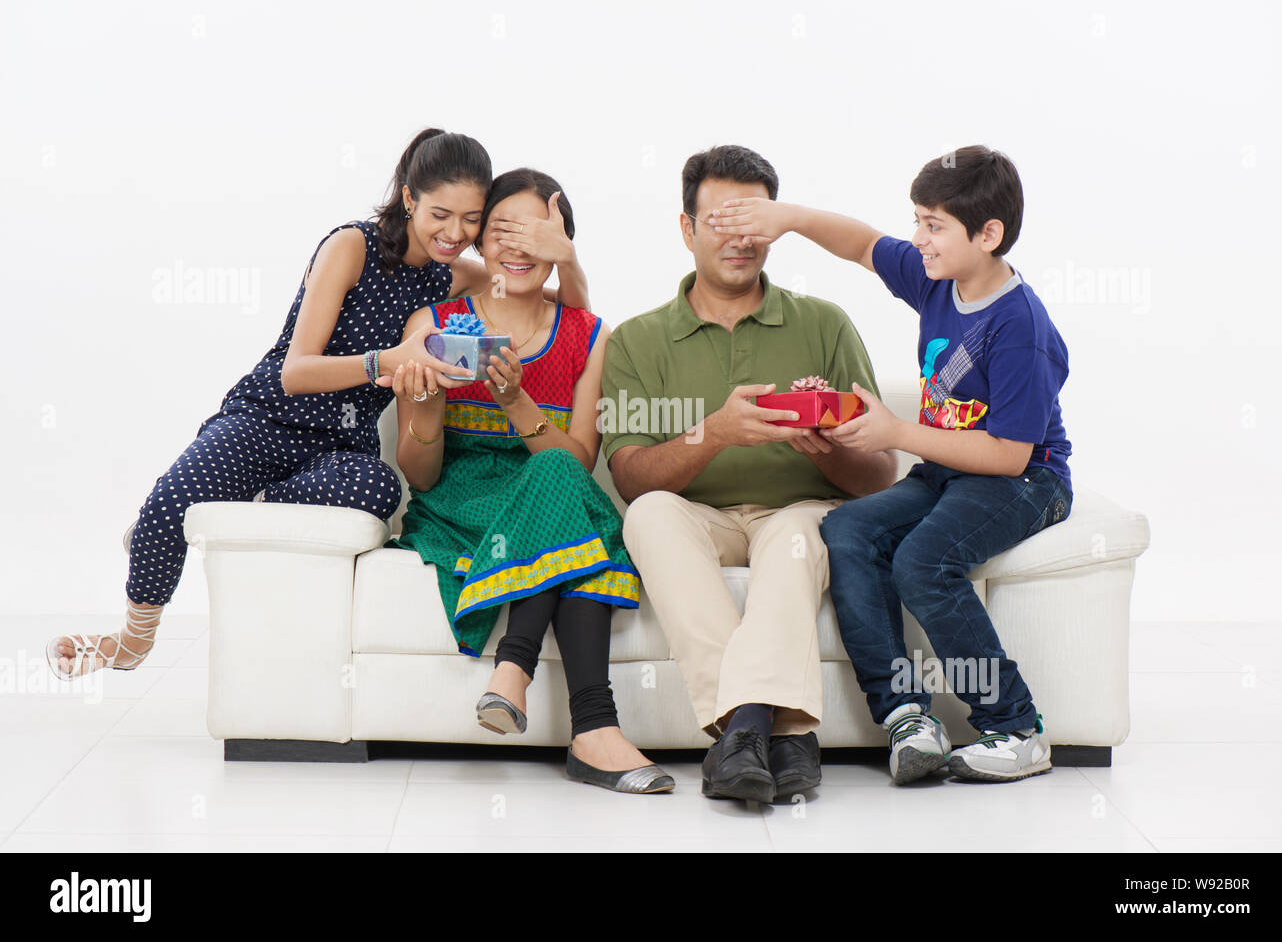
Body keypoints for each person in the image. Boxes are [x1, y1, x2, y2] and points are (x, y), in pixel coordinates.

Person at [47, 128, 591, 681]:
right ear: (409, 198)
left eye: (471, 218)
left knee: (377, 490)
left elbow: (563, 310)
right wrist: (390, 359)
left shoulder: (453, 274)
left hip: (341, 443)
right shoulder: (350, 246)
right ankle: (133, 642)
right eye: (440, 214)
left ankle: (246, 502)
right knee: (166, 509)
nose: (455, 233)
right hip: (268, 416)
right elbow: (297, 370)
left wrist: (564, 258)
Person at [707, 145, 1073, 783]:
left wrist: (897, 430)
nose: (919, 240)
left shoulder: (1021, 327)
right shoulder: (938, 277)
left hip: (1025, 481)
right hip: (948, 471)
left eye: (935, 226)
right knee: (847, 528)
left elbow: (1010, 455)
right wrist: (788, 215)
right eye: (918, 220)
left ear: (990, 235)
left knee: (923, 560)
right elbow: (860, 243)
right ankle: (907, 715)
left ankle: (1015, 726)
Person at [601, 145, 897, 804]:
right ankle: (778, 731)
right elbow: (629, 477)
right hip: (697, 516)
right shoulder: (637, 341)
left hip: (798, 508)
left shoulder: (825, 323)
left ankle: (740, 736)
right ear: (686, 229)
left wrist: (824, 448)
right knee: (648, 515)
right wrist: (716, 432)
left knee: (796, 539)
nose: (739, 238)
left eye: (753, 222)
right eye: (719, 221)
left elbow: (882, 475)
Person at [389, 168, 673, 795]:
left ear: (563, 245)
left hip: (551, 483)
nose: (517, 247)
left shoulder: (591, 335)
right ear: (479, 245)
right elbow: (420, 477)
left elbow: (578, 462)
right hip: (463, 500)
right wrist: (429, 404)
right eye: (501, 231)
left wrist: (517, 402)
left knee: (552, 473)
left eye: (538, 232)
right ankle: (594, 730)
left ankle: (512, 671)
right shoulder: (431, 324)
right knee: (586, 538)